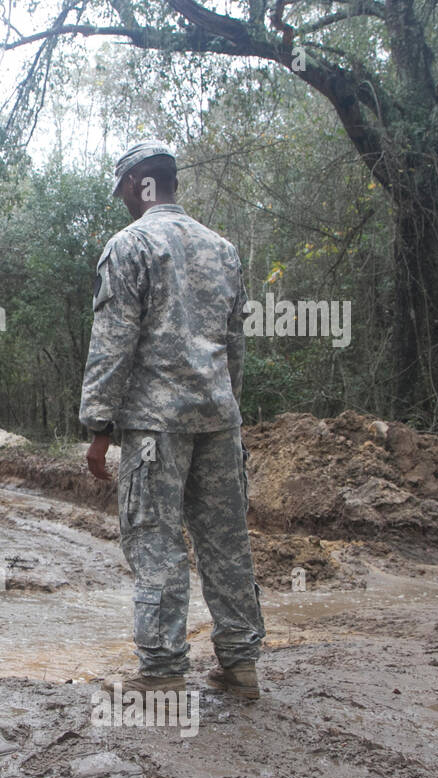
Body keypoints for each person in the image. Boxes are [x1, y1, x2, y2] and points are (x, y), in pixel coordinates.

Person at [79, 141, 266, 699]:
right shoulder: (224, 250)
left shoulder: (130, 245)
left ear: (140, 183)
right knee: (226, 543)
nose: (124, 206)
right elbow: (234, 346)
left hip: (156, 427)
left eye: (124, 194)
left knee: (156, 541)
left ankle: (161, 671)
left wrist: (98, 426)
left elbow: (113, 343)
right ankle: (240, 666)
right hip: (217, 418)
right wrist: (226, 405)